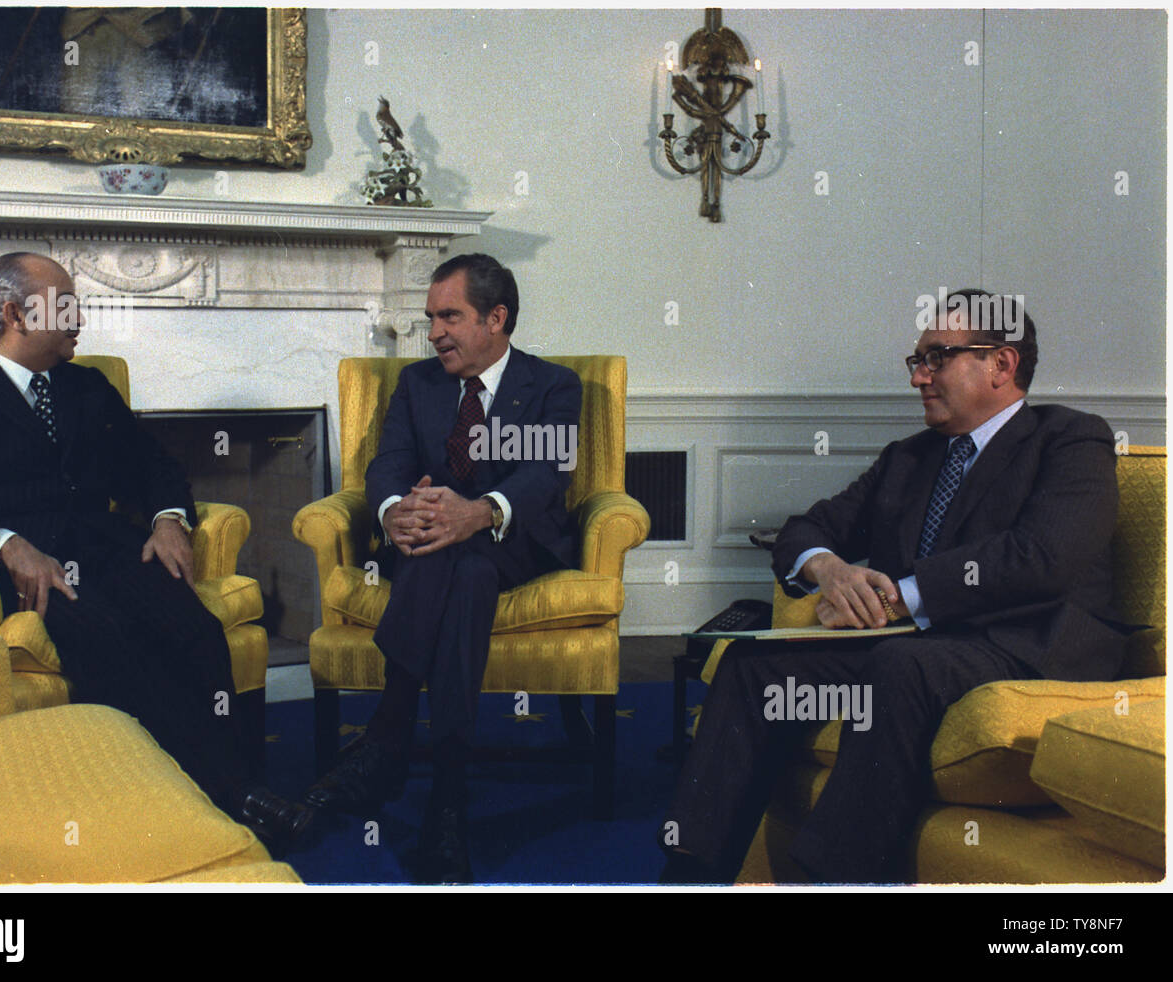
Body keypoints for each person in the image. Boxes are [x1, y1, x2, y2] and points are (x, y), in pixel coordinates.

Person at [659, 289, 1127, 884]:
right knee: (754, 666)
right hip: (923, 648)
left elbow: (1043, 557)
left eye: (937, 358)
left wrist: (898, 594)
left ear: (1001, 365)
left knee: (901, 665)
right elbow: (805, 529)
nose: (919, 378)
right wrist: (829, 568)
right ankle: (688, 874)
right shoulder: (909, 457)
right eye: (918, 361)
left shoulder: (1070, 439)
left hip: (1028, 643)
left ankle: (828, 881)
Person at [0, 252, 312, 852]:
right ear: (14, 313)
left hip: (110, 553)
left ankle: (231, 795)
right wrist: (6, 545)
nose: (81, 317)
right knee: (111, 643)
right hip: (26, 574)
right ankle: (214, 802)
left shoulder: (87, 387)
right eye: (66, 305)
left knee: (195, 629)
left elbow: (155, 464)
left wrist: (167, 521)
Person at [303, 253, 582, 883]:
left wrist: (479, 511)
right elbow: (387, 465)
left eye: (449, 316)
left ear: (496, 317)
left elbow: (546, 473)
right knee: (462, 568)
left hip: (518, 542)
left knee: (464, 551)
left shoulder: (554, 385)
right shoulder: (419, 384)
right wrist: (397, 510)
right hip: (445, 552)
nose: (434, 333)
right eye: (431, 317)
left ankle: (389, 737)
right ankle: (448, 796)